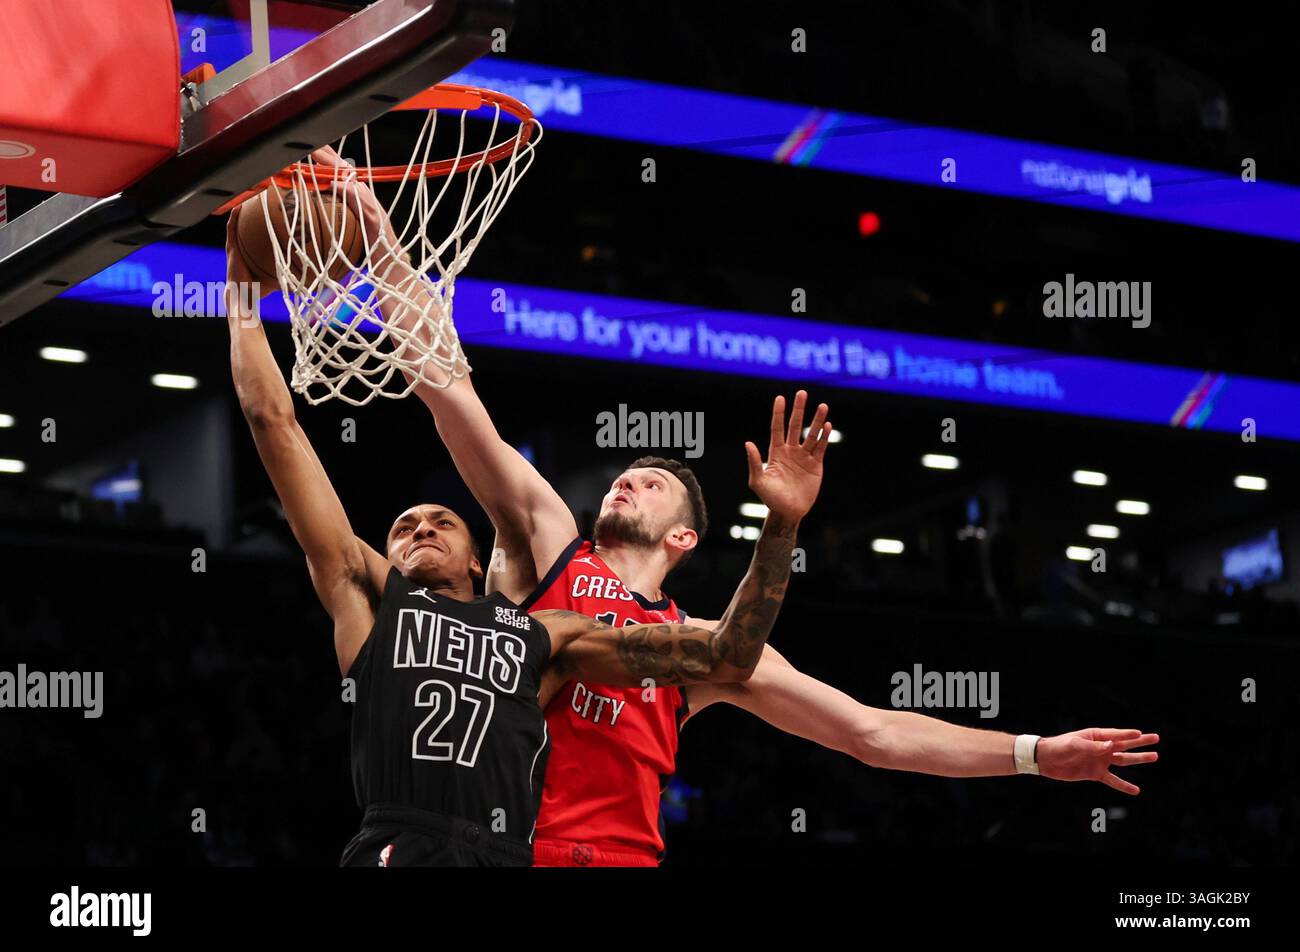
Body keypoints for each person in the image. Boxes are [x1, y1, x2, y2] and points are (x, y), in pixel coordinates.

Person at [315, 149, 1161, 868]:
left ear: (684, 534)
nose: (625, 481)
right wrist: (381, 237)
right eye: (622, 474)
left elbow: (873, 733)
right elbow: (449, 389)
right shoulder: (547, 548)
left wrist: (1035, 756)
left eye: (651, 482)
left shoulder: (709, 652)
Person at [222, 208, 829, 865]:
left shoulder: (549, 633)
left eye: (442, 520)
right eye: (405, 526)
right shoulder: (368, 594)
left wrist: (782, 525)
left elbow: (727, 655)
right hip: (400, 839)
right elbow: (271, 419)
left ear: (482, 559)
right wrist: (240, 300)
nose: (423, 525)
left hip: (508, 853)